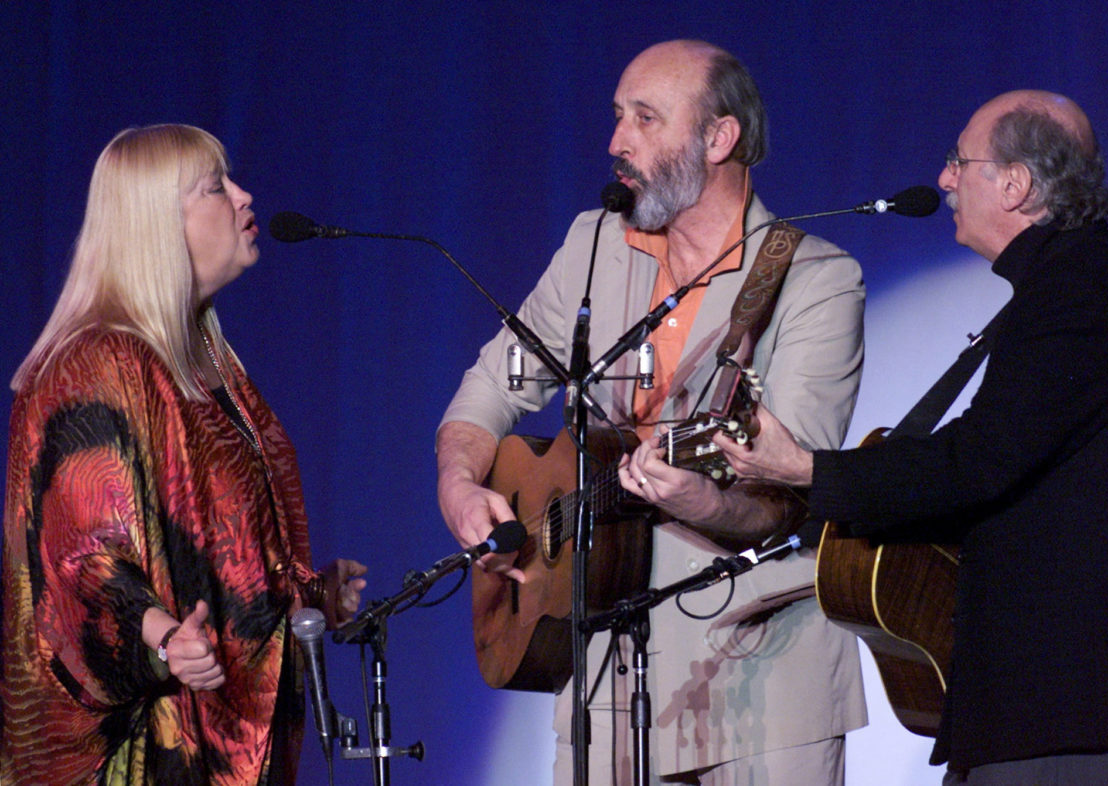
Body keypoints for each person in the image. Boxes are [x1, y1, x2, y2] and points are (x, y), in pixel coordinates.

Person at [716, 90, 1108, 784]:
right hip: (1035, 710)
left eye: (958, 161)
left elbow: (976, 464)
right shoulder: (1069, 285)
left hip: (1061, 710)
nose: (943, 180)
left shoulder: (1079, 294)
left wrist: (807, 470)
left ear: (1016, 183)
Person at [437, 40, 867, 784]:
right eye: (616, 117)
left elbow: (789, 498)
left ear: (719, 138)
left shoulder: (813, 282)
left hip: (759, 676)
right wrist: (459, 482)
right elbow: (497, 381)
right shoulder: (593, 246)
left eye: (644, 118)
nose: (615, 142)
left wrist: (707, 499)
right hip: (599, 661)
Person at [0, 124, 369, 785]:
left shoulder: (211, 363)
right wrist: (162, 636)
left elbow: (214, 551)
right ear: (158, 226)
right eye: (214, 187)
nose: (244, 194)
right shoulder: (97, 362)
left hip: (214, 743)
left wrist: (306, 592)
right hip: (136, 753)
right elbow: (78, 558)